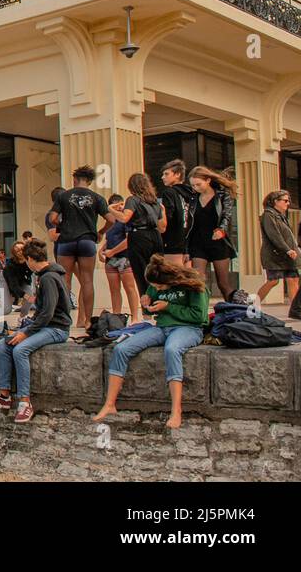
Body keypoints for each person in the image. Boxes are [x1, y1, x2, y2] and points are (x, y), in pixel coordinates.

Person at [94, 254, 209, 429]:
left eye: (159, 287)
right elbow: (151, 301)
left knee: (172, 349)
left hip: (188, 328)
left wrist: (168, 307)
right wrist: (147, 302)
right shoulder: (156, 284)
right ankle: (110, 404)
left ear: (170, 279)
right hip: (162, 327)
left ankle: (176, 410)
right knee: (121, 348)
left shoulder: (193, 286)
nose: (157, 289)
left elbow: (199, 316)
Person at [0, 239, 72, 423]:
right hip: (45, 325)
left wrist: (26, 332)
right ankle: (3, 396)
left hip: (57, 328)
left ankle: (25, 402)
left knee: (20, 350)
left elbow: (48, 313)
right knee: (4, 344)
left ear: (29, 259)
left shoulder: (48, 278)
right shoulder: (46, 275)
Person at [50, 165, 116, 330]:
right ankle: (87, 321)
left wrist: (62, 224)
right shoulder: (97, 198)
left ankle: (63, 320)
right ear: (89, 181)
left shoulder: (64, 196)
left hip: (66, 241)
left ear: (74, 179)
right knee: (87, 281)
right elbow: (112, 220)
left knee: (64, 281)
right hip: (87, 241)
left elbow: (52, 218)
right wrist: (100, 232)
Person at [110, 173, 166, 304]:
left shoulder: (132, 200)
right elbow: (163, 227)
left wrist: (111, 209)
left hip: (139, 236)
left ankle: (147, 309)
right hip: (155, 236)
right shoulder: (154, 202)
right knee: (157, 272)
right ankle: (159, 303)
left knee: (141, 274)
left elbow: (124, 218)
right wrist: (162, 211)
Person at [187, 165, 238, 301]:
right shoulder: (192, 199)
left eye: (198, 184)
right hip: (198, 243)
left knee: (223, 283)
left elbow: (227, 215)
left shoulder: (222, 195)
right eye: (193, 185)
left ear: (208, 180)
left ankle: (234, 308)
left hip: (218, 242)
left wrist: (221, 230)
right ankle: (200, 312)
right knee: (199, 281)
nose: (195, 188)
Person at [99, 194, 141, 323]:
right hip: (111, 259)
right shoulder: (112, 222)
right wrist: (102, 250)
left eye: (120, 205)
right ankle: (116, 316)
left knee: (129, 287)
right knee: (114, 289)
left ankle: (135, 316)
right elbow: (109, 239)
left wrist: (113, 251)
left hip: (124, 257)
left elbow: (129, 240)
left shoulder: (126, 220)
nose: (119, 208)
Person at [257, 189, 301, 310]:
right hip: (274, 255)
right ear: (275, 201)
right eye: (285, 201)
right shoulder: (268, 215)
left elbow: (288, 236)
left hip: (286, 255)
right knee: (273, 281)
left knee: (293, 279)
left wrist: (295, 250)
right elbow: (274, 235)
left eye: (289, 201)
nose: (288, 203)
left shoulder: (280, 216)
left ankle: (295, 309)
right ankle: (252, 305)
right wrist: (287, 249)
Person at [158, 159, 196, 264]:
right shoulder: (191, 193)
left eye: (166, 174)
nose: (162, 177)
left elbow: (168, 218)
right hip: (189, 243)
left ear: (177, 174)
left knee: (172, 277)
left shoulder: (169, 193)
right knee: (187, 278)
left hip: (172, 242)